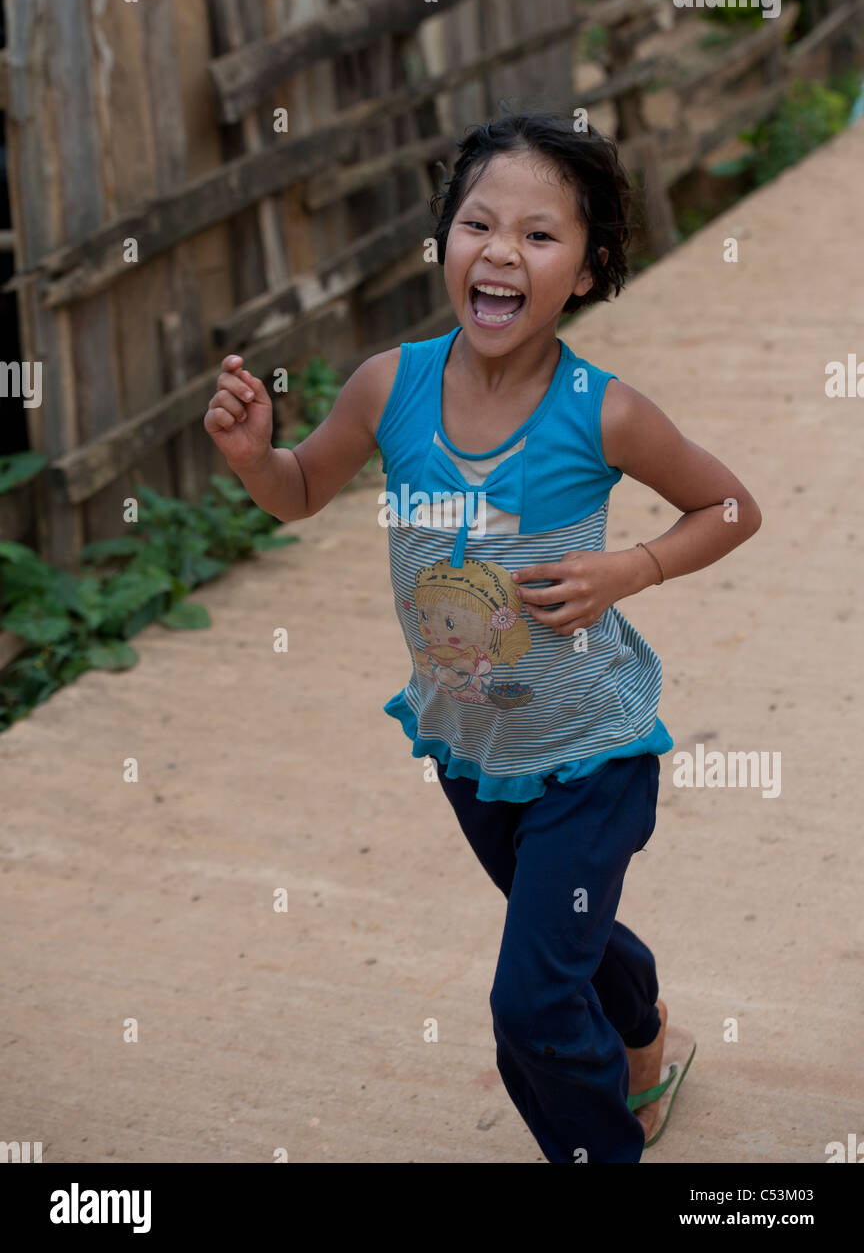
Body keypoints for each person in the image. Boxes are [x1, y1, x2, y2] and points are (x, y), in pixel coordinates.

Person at [204, 111, 762, 1163]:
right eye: (478, 224)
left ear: (590, 272)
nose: (501, 250)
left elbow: (731, 509)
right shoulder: (389, 384)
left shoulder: (605, 413)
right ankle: (645, 1042)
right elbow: (300, 490)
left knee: (533, 1000)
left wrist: (629, 567)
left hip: (592, 752)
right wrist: (251, 457)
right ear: (446, 244)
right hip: (472, 750)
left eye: (539, 236)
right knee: (568, 938)